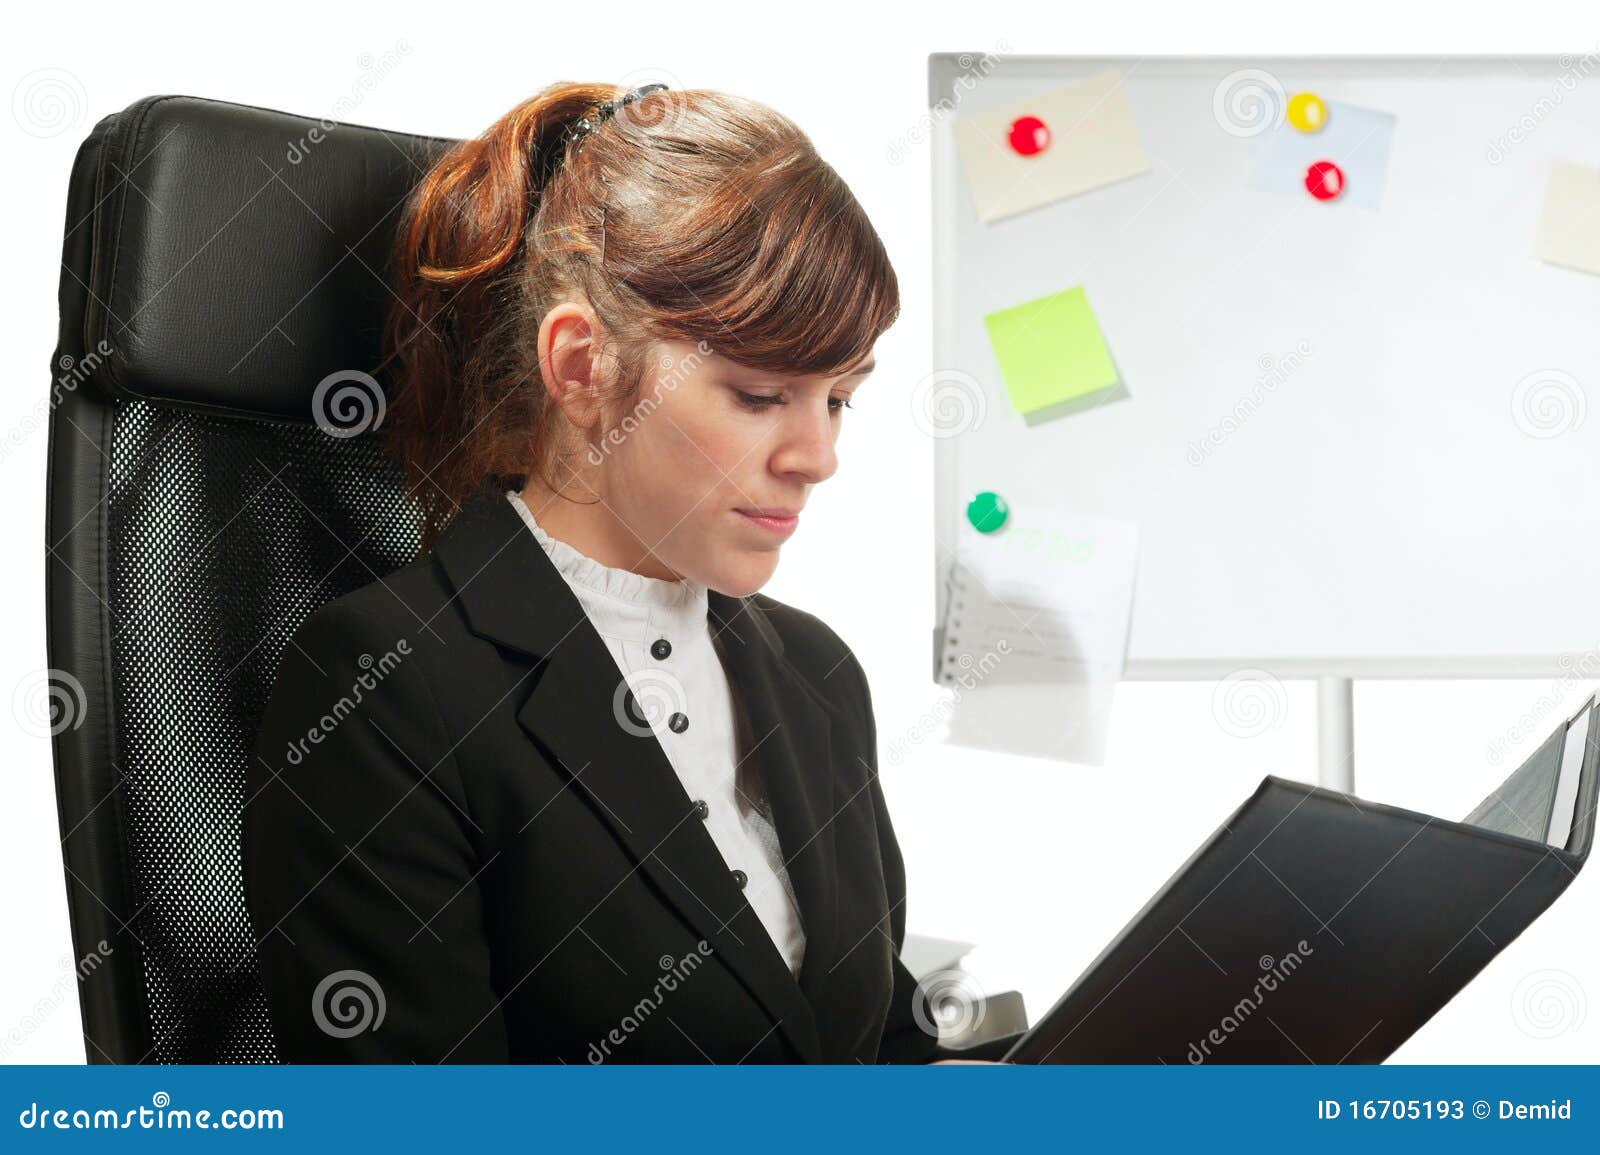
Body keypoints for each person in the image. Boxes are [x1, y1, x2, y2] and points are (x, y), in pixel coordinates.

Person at [243, 81, 1016, 1064]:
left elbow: (867, 1042)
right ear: (582, 367)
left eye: (839, 401)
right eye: (761, 393)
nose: (816, 455)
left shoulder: (817, 674)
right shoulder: (387, 687)